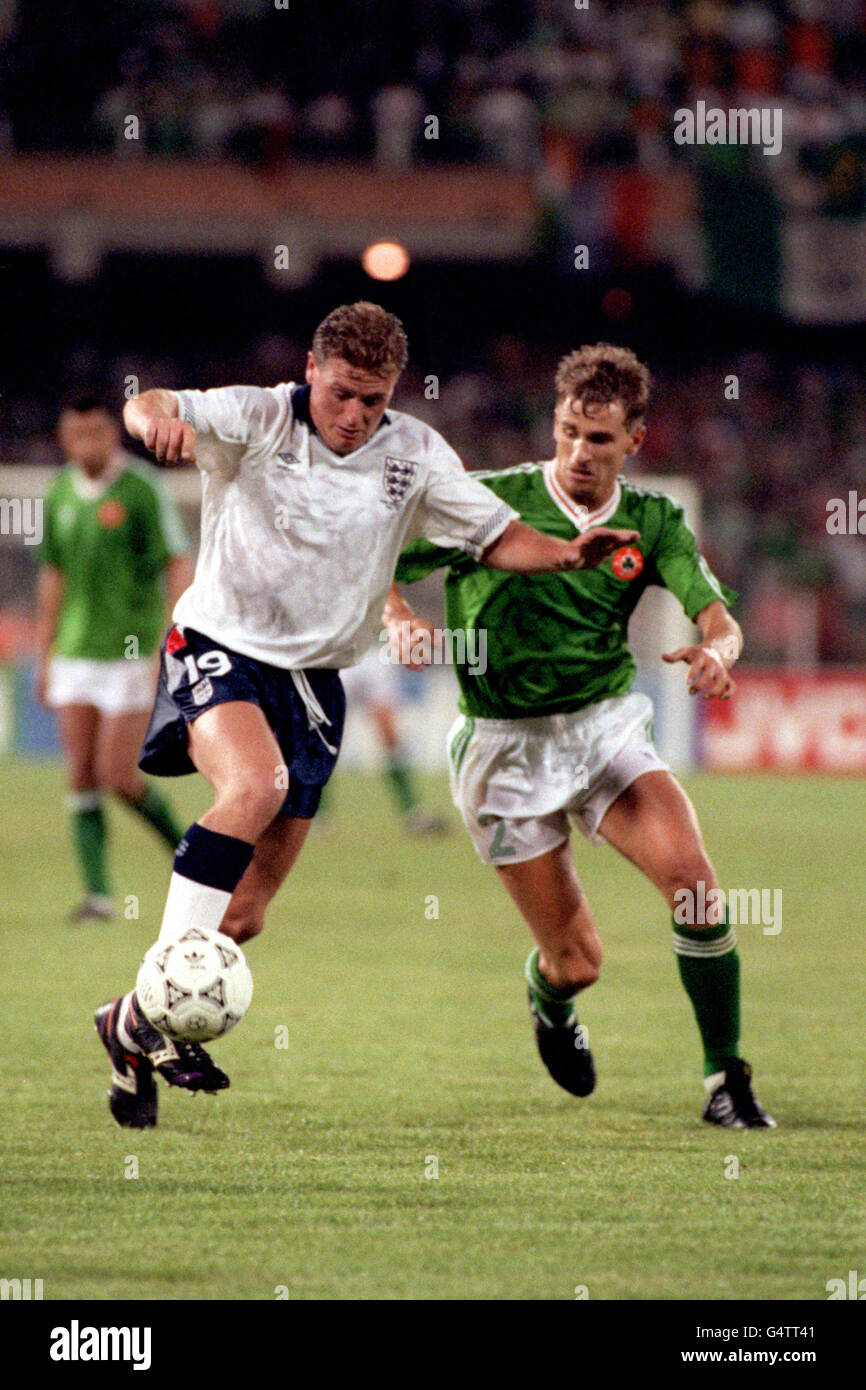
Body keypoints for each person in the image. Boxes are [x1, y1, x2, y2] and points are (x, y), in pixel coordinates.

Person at [94, 303, 638, 1128]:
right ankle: (168, 1010)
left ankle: (131, 1024)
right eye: (342, 393)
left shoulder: (415, 454)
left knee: (241, 917)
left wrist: (564, 553)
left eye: (373, 400)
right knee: (255, 784)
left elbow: (493, 536)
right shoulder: (255, 415)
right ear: (312, 371)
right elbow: (157, 403)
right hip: (218, 644)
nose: (353, 416)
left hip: (316, 682)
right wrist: (149, 417)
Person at [393, 343, 776, 1128]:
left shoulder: (653, 520)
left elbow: (717, 617)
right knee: (579, 962)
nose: (578, 452)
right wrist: (399, 619)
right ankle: (549, 998)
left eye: (599, 439)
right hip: (502, 747)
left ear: (635, 440)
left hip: (601, 731)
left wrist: (718, 652)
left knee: (696, 886)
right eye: (568, 431)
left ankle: (725, 1080)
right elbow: (378, 565)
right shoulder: (488, 501)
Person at [36, 398, 192, 922]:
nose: (85, 445)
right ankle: (100, 897)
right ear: (64, 435)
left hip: (132, 651)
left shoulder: (141, 489)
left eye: (95, 433)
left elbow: (176, 564)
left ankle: (190, 855)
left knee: (118, 775)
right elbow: (52, 573)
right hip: (75, 653)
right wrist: (45, 652)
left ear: (114, 433)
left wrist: (170, 644)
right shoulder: (59, 491)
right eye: (75, 434)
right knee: (80, 774)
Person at [327, 640, 449, 835]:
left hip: (373, 653)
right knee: (326, 736)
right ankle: (317, 814)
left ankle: (411, 810)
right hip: (338, 651)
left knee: (390, 736)